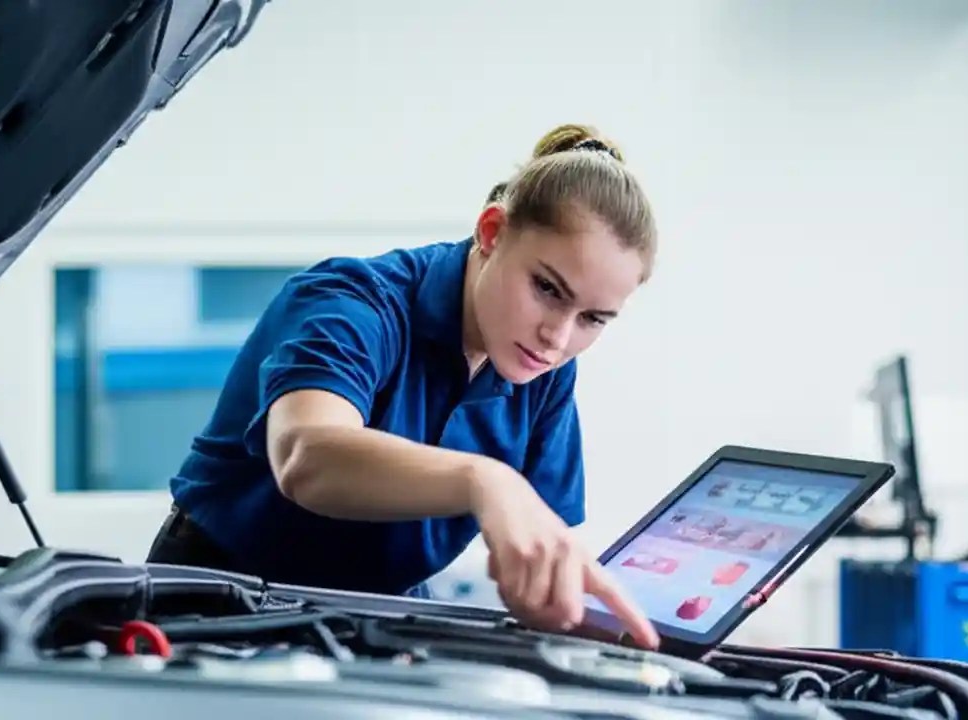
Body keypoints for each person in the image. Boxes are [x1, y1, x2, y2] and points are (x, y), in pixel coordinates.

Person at [146, 122, 661, 650]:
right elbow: (306, 456)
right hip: (218, 603)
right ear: (491, 232)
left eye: (593, 319)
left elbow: (548, 552)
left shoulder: (542, 371)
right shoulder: (352, 302)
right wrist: (486, 481)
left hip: (378, 616)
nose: (558, 337)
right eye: (548, 289)